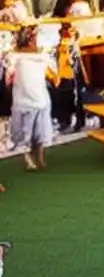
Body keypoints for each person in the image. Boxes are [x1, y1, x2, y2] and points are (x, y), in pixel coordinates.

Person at [5, 26, 56, 171]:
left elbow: (52, 72)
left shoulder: (42, 56)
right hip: (24, 99)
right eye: (33, 38)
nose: (35, 41)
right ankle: (28, 159)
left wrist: (52, 76)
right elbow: (9, 77)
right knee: (25, 133)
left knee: (41, 131)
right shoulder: (15, 57)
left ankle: (40, 157)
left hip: (40, 98)